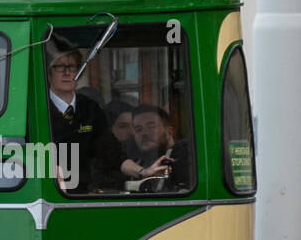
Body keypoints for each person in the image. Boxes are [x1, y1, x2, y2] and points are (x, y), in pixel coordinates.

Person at [45, 39, 155, 193]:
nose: (67, 72)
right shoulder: (38, 106)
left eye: (72, 67)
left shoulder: (90, 108)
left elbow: (112, 154)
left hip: (81, 196)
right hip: (47, 193)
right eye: (59, 67)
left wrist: (143, 172)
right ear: (48, 72)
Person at [128, 104, 192, 190]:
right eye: (138, 129)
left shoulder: (185, 154)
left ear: (169, 132)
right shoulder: (138, 163)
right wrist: (143, 172)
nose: (144, 133)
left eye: (151, 127)